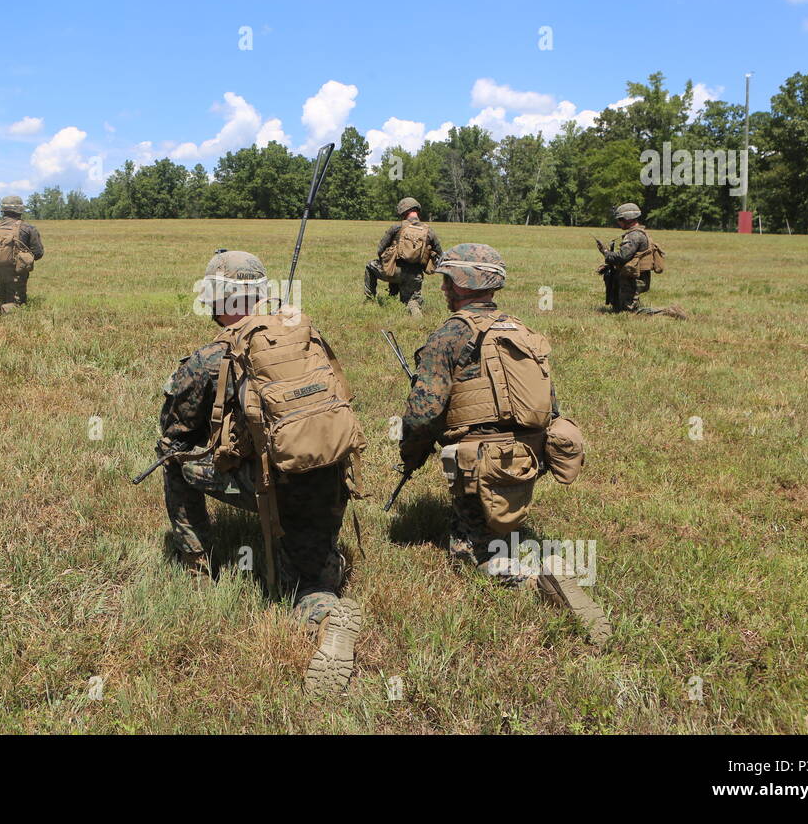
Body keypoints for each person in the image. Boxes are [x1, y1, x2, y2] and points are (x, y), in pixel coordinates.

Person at [157, 250, 365, 694]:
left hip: (274, 488)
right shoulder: (306, 336)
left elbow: (174, 430)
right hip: (331, 478)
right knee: (313, 574)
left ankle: (197, 566)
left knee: (172, 458)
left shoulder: (212, 358)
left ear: (219, 298)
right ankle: (327, 606)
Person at [398, 242, 610, 644]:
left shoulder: (450, 335)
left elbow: (422, 414)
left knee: (471, 557)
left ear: (464, 282)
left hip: (479, 462)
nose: (443, 289)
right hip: (528, 457)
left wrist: (409, 455)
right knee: (504, 527)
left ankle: (533, 578)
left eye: (447, 280)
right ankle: (523, 549)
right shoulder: (521, 330)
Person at [598, 202, 685, 317]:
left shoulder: (634, 235)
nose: (618, 222)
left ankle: (668, 311)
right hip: (635, 276)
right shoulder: (639, 233)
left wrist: (605, 252)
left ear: (627, 219)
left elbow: (622, 257)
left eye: (620, 219)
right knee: (618, 308)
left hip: (633, 278)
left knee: (628, 313)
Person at [363, 197, 443, 316]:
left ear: (403, 212)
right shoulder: (428, 231)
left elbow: (380, 250)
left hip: (394, 272)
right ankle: (418, 319)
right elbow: (440, 254)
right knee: (412, 302)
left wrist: (389, 263)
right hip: (415, 276)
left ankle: (370, 300)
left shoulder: (396, 228)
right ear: (417, 211)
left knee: (370, 266)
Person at [0, 196, 44, 314]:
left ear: (3, 210)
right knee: (19, 303)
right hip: (17, 272)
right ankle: (6, 309)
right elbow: (38, 253)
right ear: (20, 210)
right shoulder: (27, 228)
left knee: (2, 292)